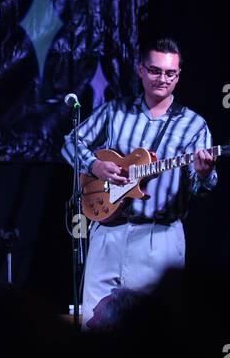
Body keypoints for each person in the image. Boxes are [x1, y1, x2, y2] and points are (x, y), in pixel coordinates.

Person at [60, 38, 217, 327]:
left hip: (159, 237)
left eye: (170, 73)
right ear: (140, 70)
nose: (163, 79)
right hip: (107, 231)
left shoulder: (194, 125)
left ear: (179, 75)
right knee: (93, 324)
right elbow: (71, 143)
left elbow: (203, 188)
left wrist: (204, 173)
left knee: (155, 330)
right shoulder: (114, 111)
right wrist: (96, 165)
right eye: (155, 71)